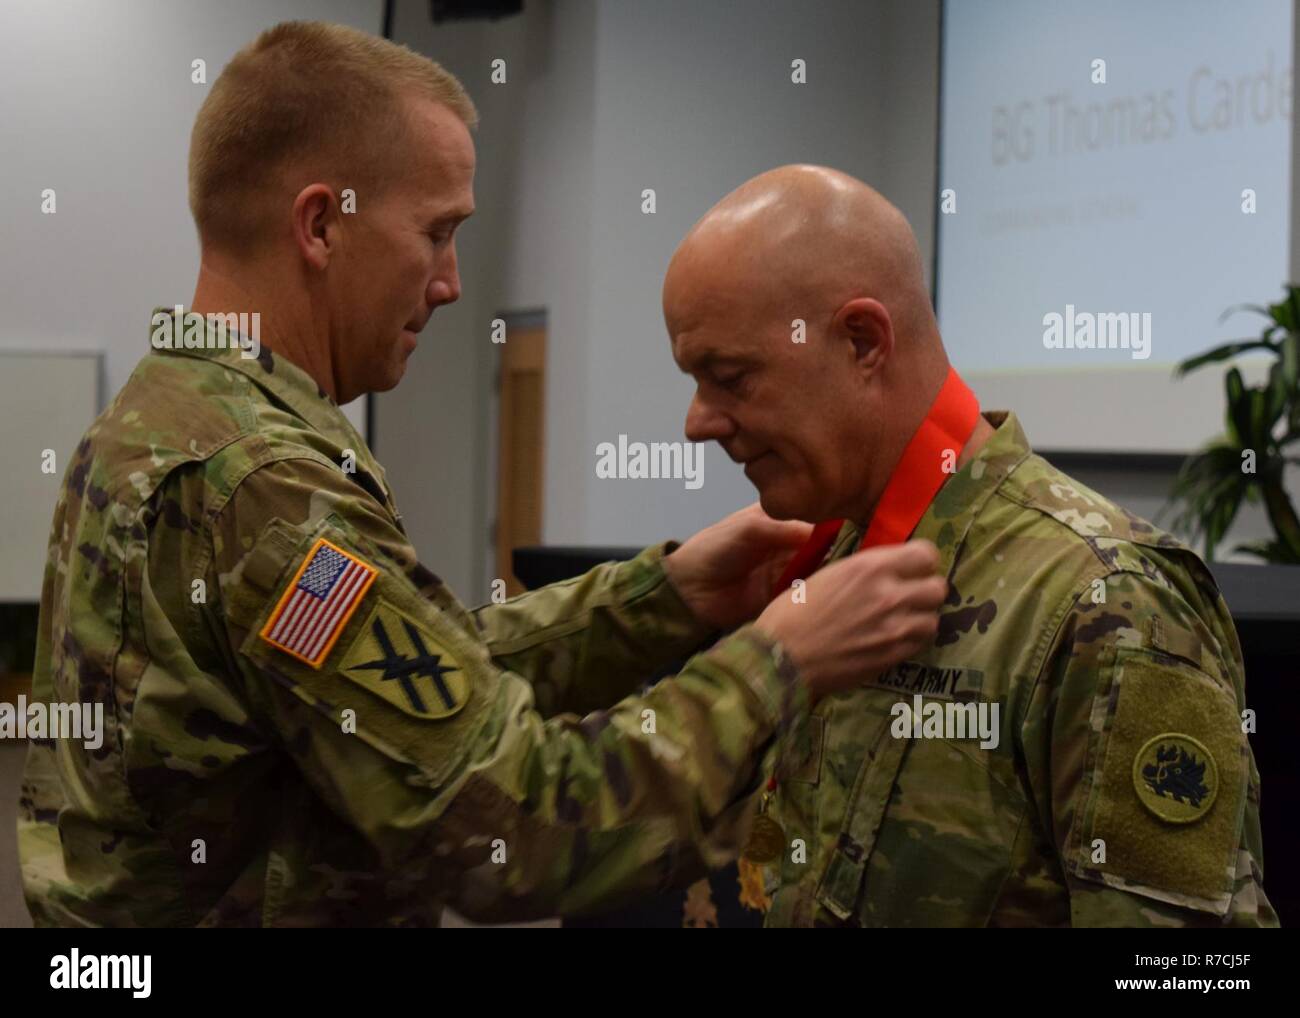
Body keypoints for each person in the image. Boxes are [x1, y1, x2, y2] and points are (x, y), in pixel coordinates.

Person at [17, 24, 947, 927]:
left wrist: (658, 598)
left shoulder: (163, 418)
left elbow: (404, 685)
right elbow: (514, 822)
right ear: (321, 225)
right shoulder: (262, 486)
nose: (452, 280)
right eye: (436, 232)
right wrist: (777, 661)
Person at [662, 164, 1277, 927]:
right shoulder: (830, 564)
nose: (698, 422)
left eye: (728, 377)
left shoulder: (1108, 599)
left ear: (863, 341)